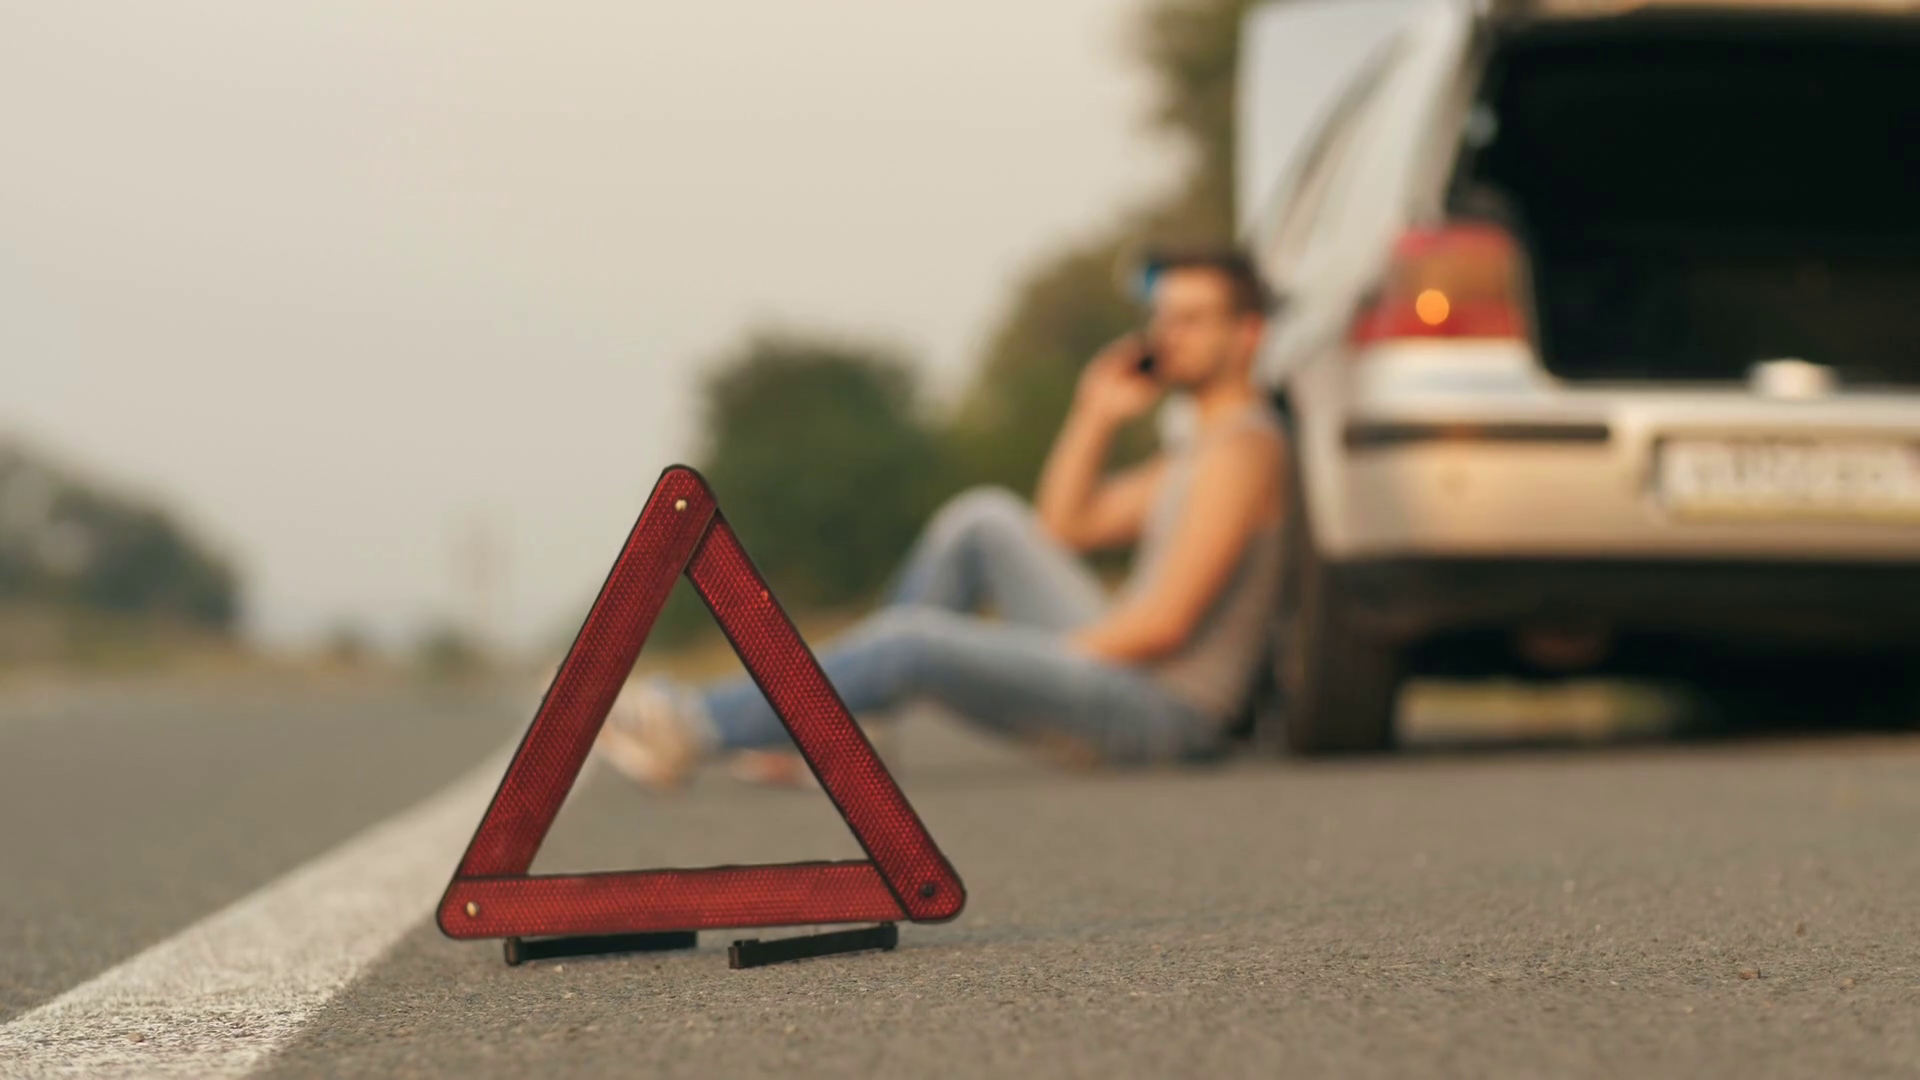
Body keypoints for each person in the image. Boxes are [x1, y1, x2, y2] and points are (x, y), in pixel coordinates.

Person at [594, 249, 1288, 789]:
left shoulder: (1243, 452)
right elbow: (1066, 527)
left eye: (1194, 320)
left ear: (1248, 335)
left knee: (914, 645)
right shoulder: (1200, 450)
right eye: (1164, 318)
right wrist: (1094, 415)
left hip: (1165, 712)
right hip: (1129, 675)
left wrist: (1023, 663)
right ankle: (853, 724)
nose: (1169, 337)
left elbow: (1164, 626)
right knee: (982, 519)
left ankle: (692, 725)